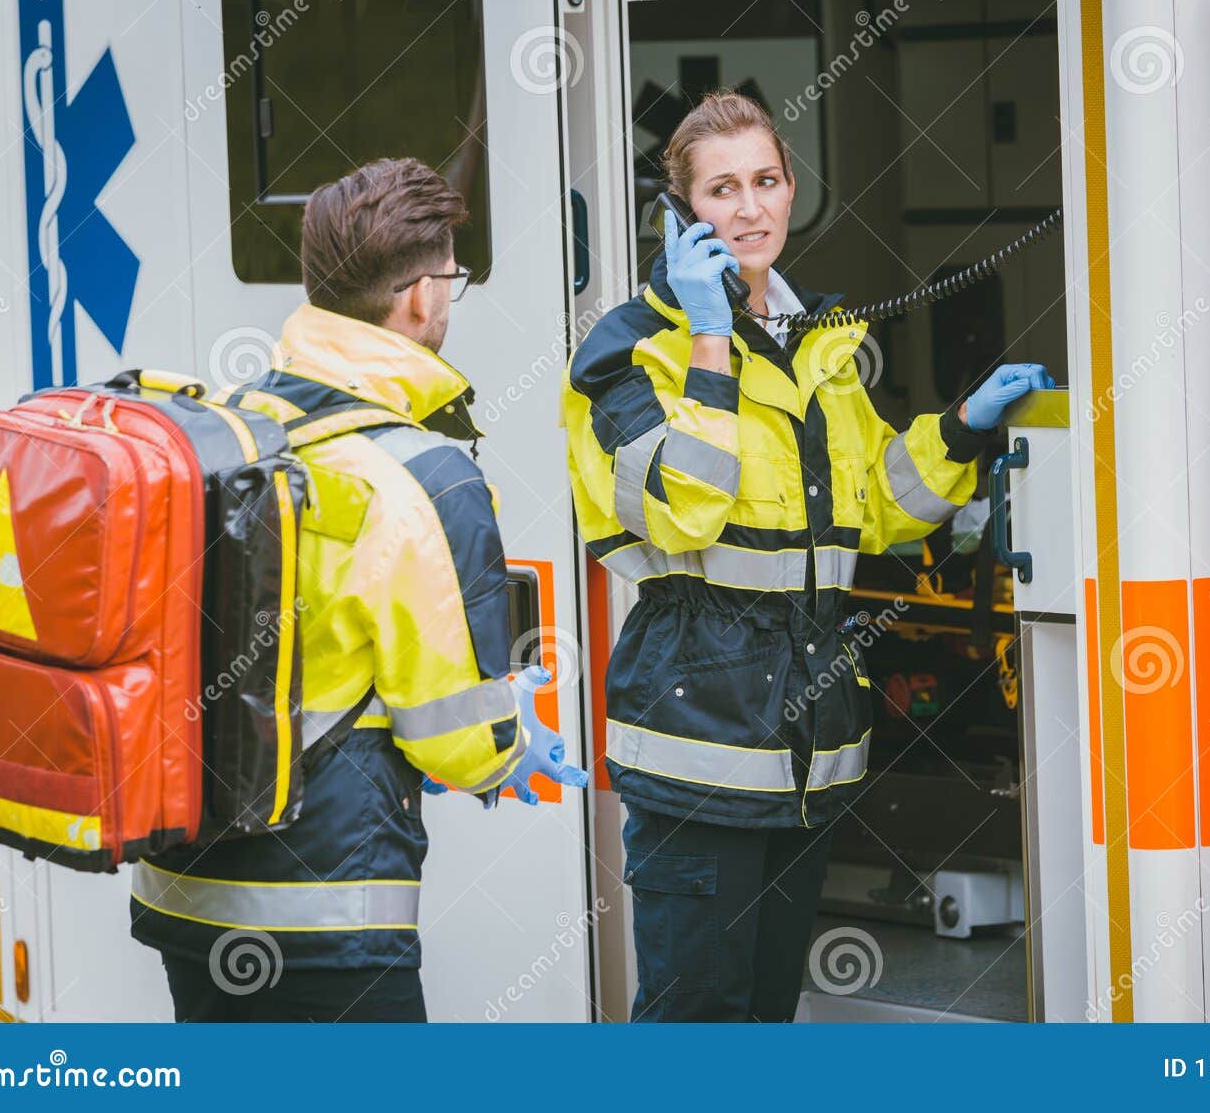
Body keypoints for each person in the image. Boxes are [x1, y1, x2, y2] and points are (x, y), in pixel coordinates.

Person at [562, 92, 1050, 1022]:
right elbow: (683, 506)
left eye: (767, 181)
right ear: (680, 215)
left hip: (811, 767)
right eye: (721, 190)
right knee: (694, 1033)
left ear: (791, 191)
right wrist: (709, 337)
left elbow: (878, 507)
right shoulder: (623, 359)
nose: (749, 209)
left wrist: (962, 425)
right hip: (699, 761)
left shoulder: (814, 344)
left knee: (769, 1023)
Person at [131, 157, 587, 1022]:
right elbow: (451, 731)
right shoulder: (427, 475)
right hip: (324, 913)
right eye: (450, 277)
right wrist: (508, 734)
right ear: (419, 297)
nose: (449, 296)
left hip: (186, 894)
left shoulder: (233, 427)